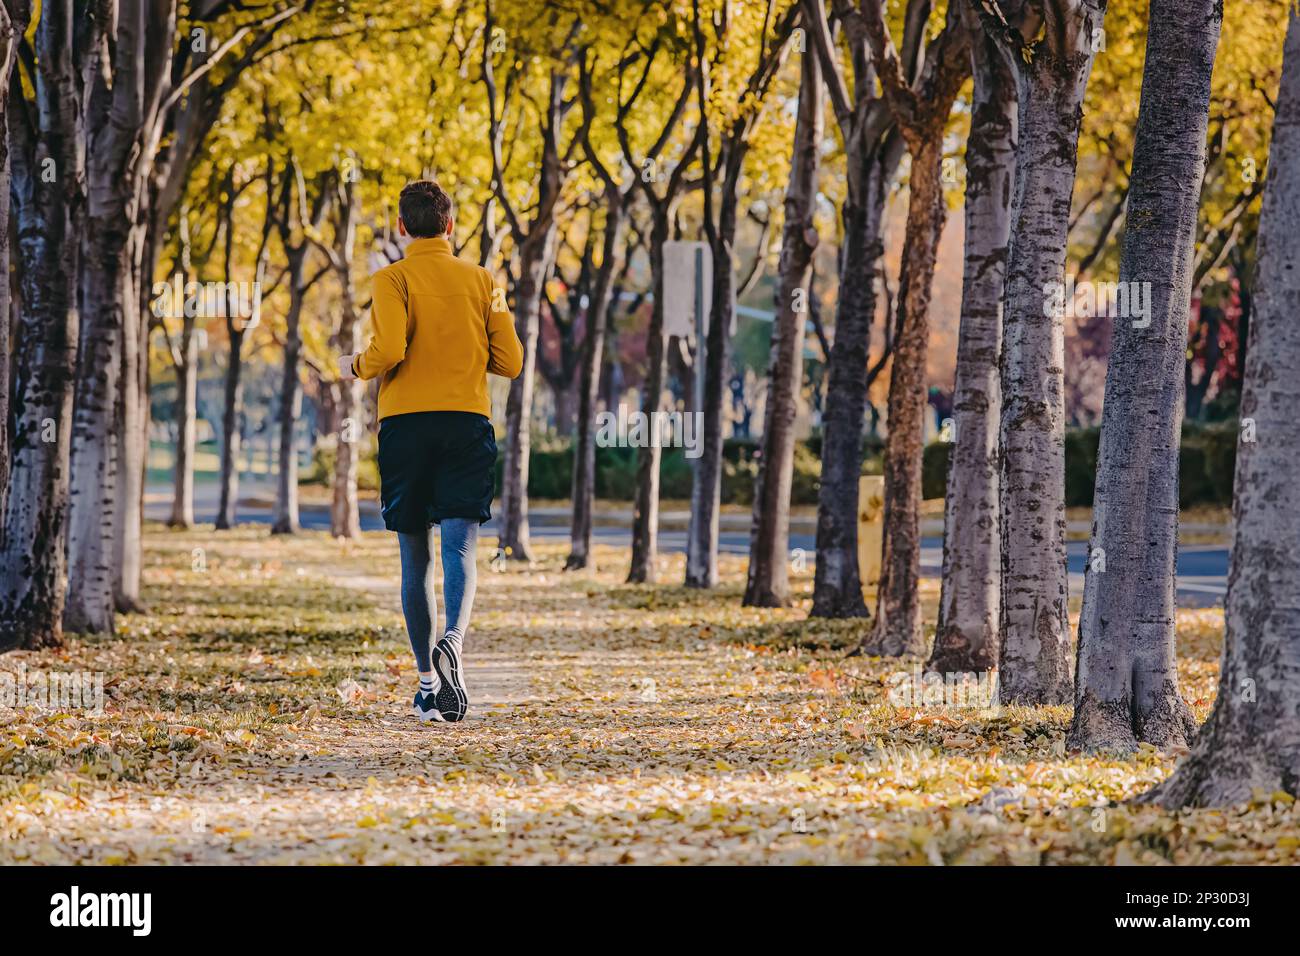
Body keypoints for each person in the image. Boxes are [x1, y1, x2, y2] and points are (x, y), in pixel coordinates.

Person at [339, 180, 523, 722]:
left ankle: (425, 684)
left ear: (401, 227)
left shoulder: (391, 278)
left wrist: (358, 365)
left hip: (407, 425)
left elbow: (390, 348)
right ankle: (455, 644)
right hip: (466, 420)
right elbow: (510, 362)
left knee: (414, 556)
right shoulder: (484, 280)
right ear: (451, 225)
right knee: (460, 547)